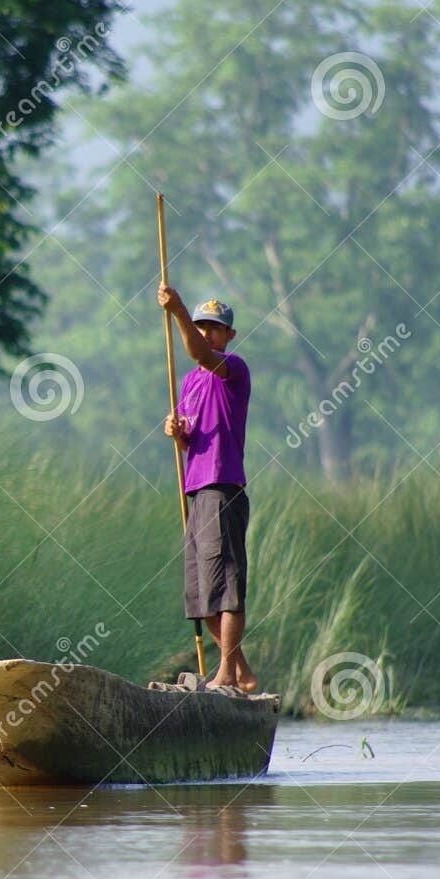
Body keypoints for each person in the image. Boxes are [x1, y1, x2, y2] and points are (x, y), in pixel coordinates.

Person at [155, 286, 257, 693]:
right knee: (202, 595)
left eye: (215, 328)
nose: (207, 333)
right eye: (202, 326)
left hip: (222, 486)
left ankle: (226, 675)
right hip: (195, 488)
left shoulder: (232, 368)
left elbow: (201, 354)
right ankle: (241, 672)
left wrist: (178, 309)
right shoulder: (189, 385)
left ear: (228, 335)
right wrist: (177, 433)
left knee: (227, 587)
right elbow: (190, 439)